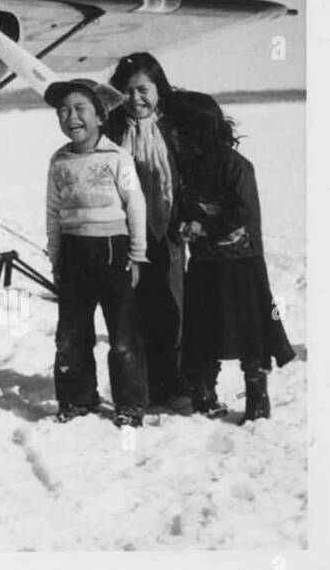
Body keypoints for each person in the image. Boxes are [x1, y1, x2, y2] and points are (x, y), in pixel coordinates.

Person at [173, 92, 295, 422]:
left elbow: (243, 211)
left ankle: (257, 395)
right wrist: (185, 223)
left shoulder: (235, 165)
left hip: (242, 263)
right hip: (204, 262)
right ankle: (204, 393)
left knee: (251, 331)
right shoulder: (187, 167)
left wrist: (202, 225)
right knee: (202, 328)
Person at [44, 78, 149, 427]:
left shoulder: (119, 157)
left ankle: (130, 404)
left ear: (101, 116)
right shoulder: (58, 161)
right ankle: (78, 399)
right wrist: (56, 256)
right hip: (73, 252)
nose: (71, 117)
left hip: (112, 250)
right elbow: (53, 212)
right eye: (63, 111)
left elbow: (135, 203)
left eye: (79, 109)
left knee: (122, 335)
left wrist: (137, 254)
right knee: (71, 335)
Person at [104, 52, 190, 411]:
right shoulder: (111, 129)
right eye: (127, 91)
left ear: (159, 89)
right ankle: (142, 388)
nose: (136, 98)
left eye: (143, 89)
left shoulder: (175, 128)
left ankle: (177, 383)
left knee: (172, 307)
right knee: (132, 311)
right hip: (123, 232)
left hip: (167, 228)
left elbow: (188, 176)